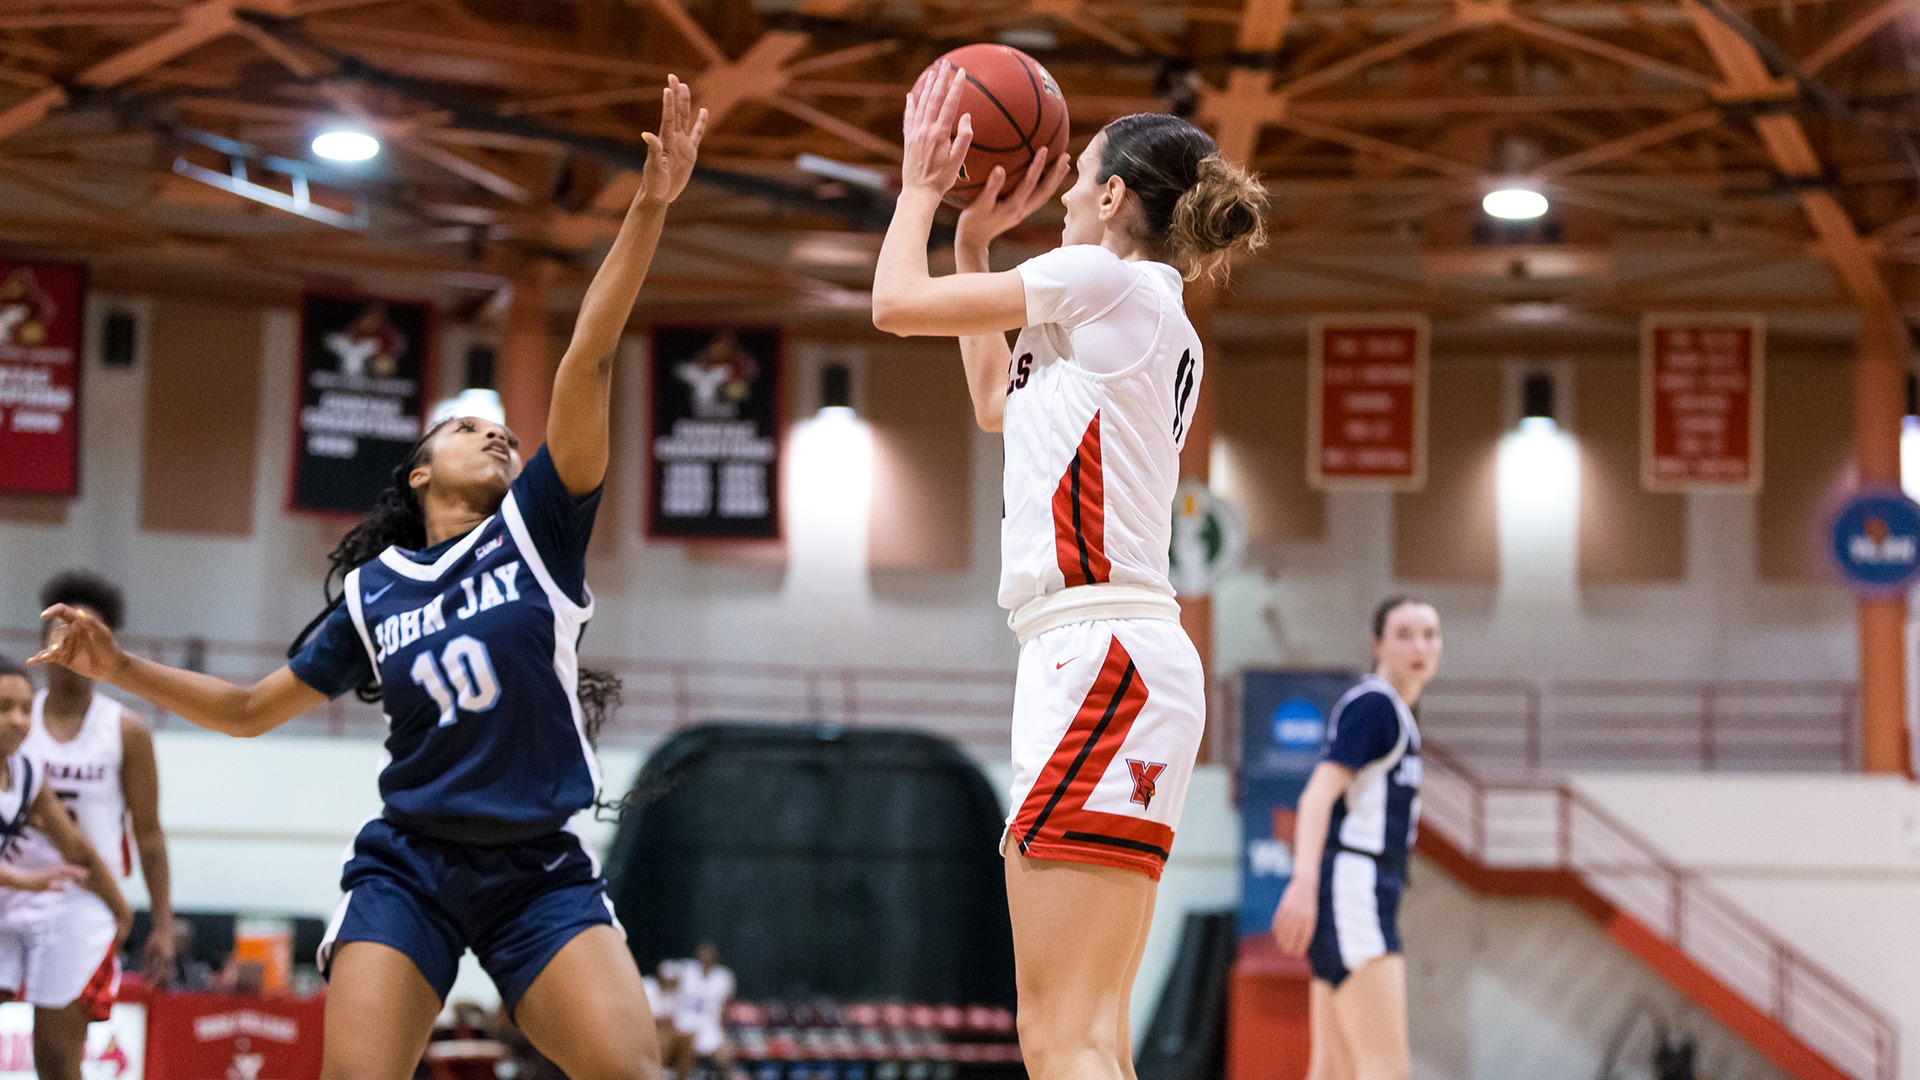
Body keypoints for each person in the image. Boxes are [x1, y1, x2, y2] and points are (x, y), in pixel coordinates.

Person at [30, 76, 707, 1080]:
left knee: (636, 1074)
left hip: (537, 870)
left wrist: (650, 207)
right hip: (411, 864)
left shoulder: (540, 531)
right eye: (470, 425)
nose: (499, 432)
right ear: (420, 468)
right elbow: (252, 708)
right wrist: (119, 662)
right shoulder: (373, 590)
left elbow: (588, 358)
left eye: (504, 431)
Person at [871, 65, 1268, 1080]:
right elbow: (998, 409)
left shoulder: (1107, 282)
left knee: (1059, 1038)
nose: (1052, 197)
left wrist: (920, 186)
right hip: (1118, 659)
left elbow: (895, 305)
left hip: (1097, 658)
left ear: (1112, 201)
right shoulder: (1136, 311)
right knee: (1093, 1034)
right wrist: (970, 241)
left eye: (1073, 179)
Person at [1270, 597, 1440, 1080]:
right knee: (1386, 1069)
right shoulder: (1375, 706)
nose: (1419, 646)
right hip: (1355, 890)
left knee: (1333, 1071)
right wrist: (1303, 883)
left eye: (1429, 634)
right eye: (1405, 634)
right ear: (1378, 645)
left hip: (1356, 889)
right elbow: (1318, 795)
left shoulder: (1396, 714)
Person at [28, 571, 175, 1080]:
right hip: (13, 896)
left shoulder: (125, 731)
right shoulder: (14, 721)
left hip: (86, 905)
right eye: (58, 628)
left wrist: (161, 922)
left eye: (81, 630)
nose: (66, 641)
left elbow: (149, 835)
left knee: (58, 1057)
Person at [0, 652, 134, 1077]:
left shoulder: (24, 772)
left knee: (55, 1051)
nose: (19, 720)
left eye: (25, 708)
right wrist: (26, 880)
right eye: (3, 708)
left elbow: (76, 847)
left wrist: (119, 907)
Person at [669, 945, 734, 1080]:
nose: (705, 958)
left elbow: (725, 1009)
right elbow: (665, 972)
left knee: (725, 1057)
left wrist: (724, 1035)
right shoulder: (686, 969)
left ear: (715, 958)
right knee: (681, 1052)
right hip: (684, 1026)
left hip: (709, 1028)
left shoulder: (723, 976)